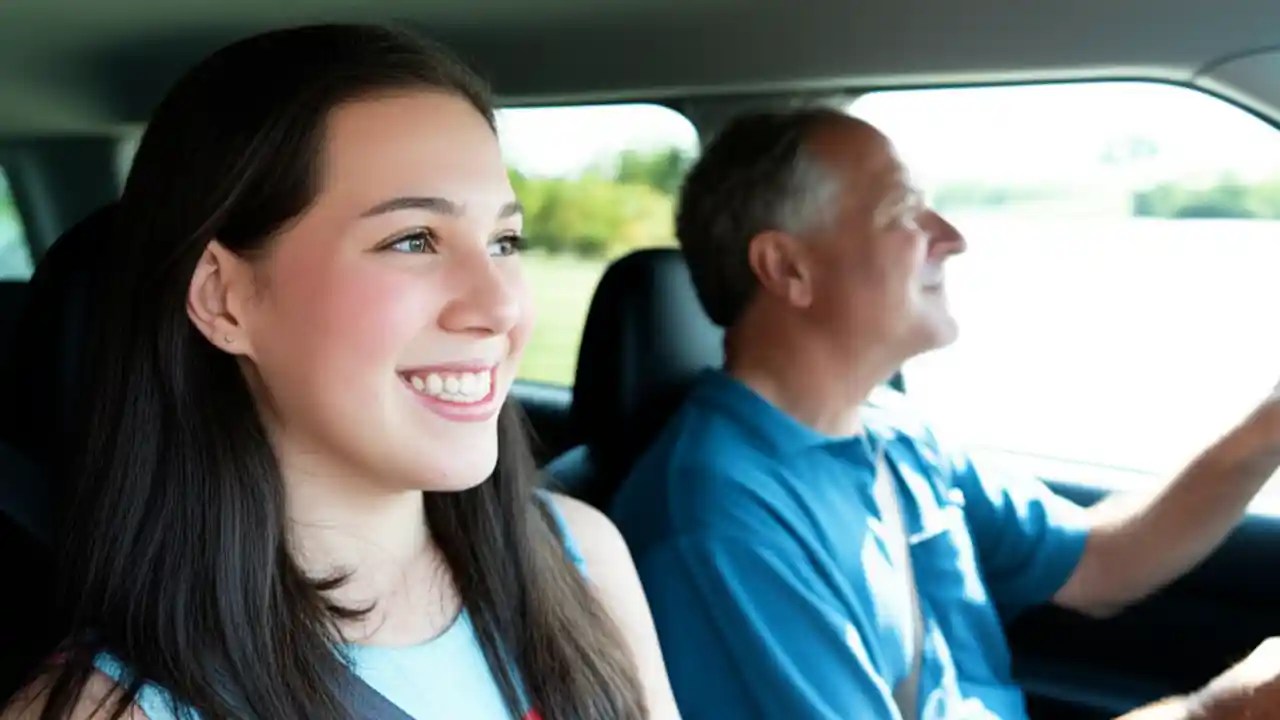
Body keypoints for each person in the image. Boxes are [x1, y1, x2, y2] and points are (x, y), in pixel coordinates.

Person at [2, 24, 678, 720]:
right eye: (413, 240)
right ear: (222, 297)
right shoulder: (112, 712)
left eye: (504, 241)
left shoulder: (580, 558)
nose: (501, 305)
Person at [609, 107, 1280, 719]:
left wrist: (1265, 432)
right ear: (787, 268)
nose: (952, 237)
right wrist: (1213, 713)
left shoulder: (892, 434)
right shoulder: (720, 524)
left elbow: (1100, 564)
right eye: (904, 210)